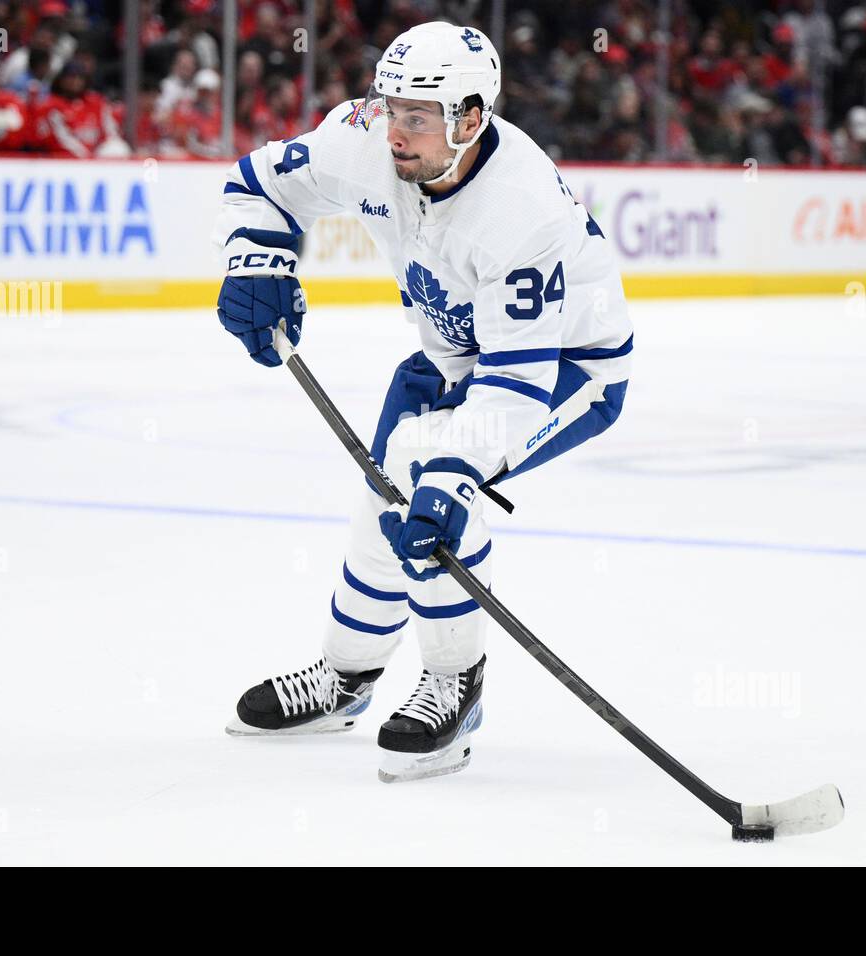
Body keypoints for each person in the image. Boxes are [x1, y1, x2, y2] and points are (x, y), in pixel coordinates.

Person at [212, 22, 632, 782]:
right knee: (387, 499)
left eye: (417, 116)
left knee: (429, 475)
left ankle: (456, 684)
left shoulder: (523, 210)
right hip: (453, 354)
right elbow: (258, 183)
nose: (393, 130)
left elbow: (515, 383)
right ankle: (346, 678)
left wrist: (455, 472)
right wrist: (257, 262)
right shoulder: (365, 139)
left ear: (470, 121)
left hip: (568, 368)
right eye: (390, 105)